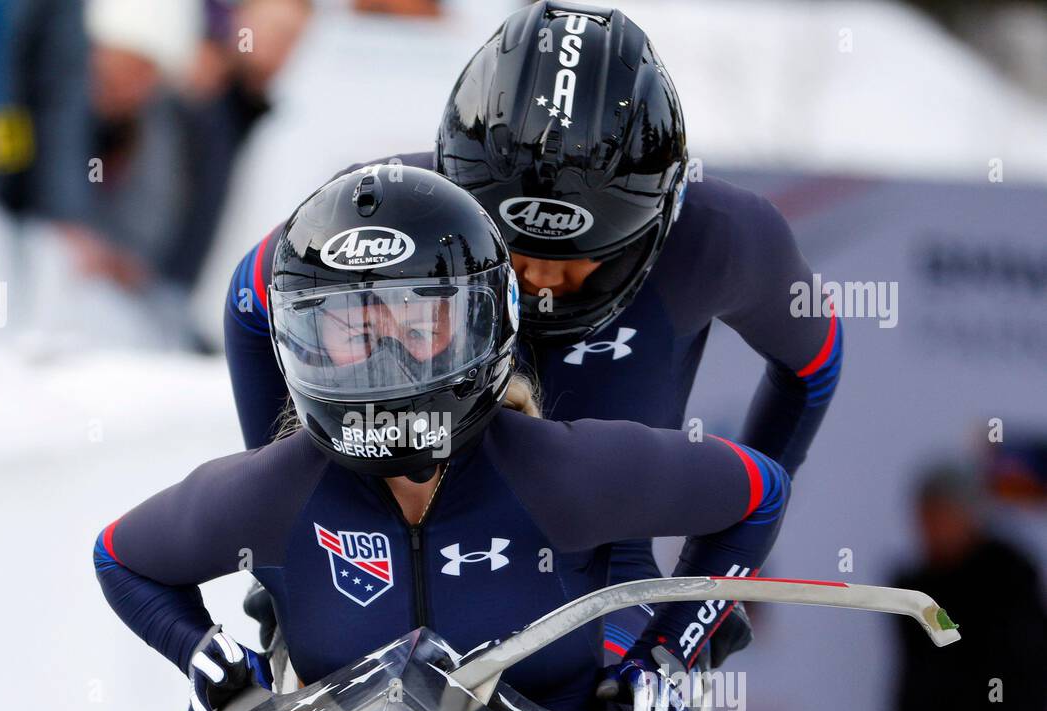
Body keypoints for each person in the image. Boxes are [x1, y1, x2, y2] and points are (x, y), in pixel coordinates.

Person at [96, 167, 790, 711]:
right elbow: (123, 558)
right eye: (355, 332)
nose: (388, 363)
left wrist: (671, 651)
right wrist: (201, 654)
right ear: (301, 343)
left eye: (420, 326)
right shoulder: (277, 493)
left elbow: (757, 493)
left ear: (482, 325)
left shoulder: (564, 475)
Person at [221, 2, 841, 667]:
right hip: (395, 553)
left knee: (610, 685)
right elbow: (252, 301)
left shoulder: (724, 238)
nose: (543, 279)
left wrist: (701, 597)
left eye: (578, 259)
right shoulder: (391, 208)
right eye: (514, 256)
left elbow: (812, 367)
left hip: (606, 581)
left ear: (657, 222)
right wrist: (295, 538)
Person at [890, 465, 1047, 711]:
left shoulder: (1010, 579)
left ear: (968, 515)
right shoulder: (912, 586)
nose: (929, 529)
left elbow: (1006, 670)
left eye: (939, 516)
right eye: (924, 518)